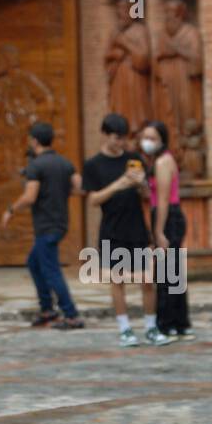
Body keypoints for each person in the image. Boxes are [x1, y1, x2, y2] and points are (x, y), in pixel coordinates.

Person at [82, 113, 172, 347]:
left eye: (123, 138)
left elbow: (146, 196)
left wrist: (141, 185)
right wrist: (119, 184)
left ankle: (151, 328)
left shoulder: (134, 159)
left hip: (137, 228)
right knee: (117, 280)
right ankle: (125, 329)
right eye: (115, 138)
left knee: (147, 280)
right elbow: (92, 200)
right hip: (111, 229)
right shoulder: (93, 165)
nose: (119, 143)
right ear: (104, 135)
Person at [2, 121, 84, 330]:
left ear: (34, 140)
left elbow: (30, 196)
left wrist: (11, 209)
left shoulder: (36, 166)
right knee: (34, 263)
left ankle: (71, 314)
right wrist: (58, 191)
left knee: (51, 270)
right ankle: (47, 309)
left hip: (46, 226)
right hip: (60, 223)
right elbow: (79, 188)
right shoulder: (65, 163)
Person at [140, 120, 192, 339]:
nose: (147, 142)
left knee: (166, 273)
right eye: (145, 137)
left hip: (167, 217)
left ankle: (167, 322)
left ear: (162, 140)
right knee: (174, 271)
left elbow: (162, 200)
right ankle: (180, 323)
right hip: (169, 215)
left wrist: (158, 231)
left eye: (152, 138)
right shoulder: (160, 161)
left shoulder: (162, 162)